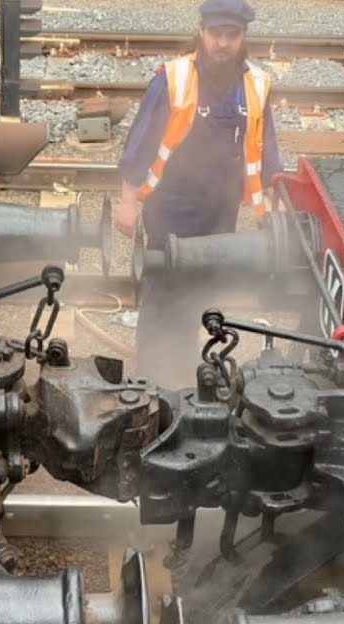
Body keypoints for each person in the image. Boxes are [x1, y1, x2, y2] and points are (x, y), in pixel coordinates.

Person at [114, 0, 282, 385]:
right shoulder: (173, 80)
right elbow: (139, 145)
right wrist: (127, 202)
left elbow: (266, 150)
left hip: (221, 208)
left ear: (243, 37)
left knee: (205, 289)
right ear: (202, 33)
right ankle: (151, 379)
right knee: (163, 291)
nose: (223, 43)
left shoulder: (257, 85)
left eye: (232, 35)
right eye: (216, 34)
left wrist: (274, 205)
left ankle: (186, 369)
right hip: (172, 206)